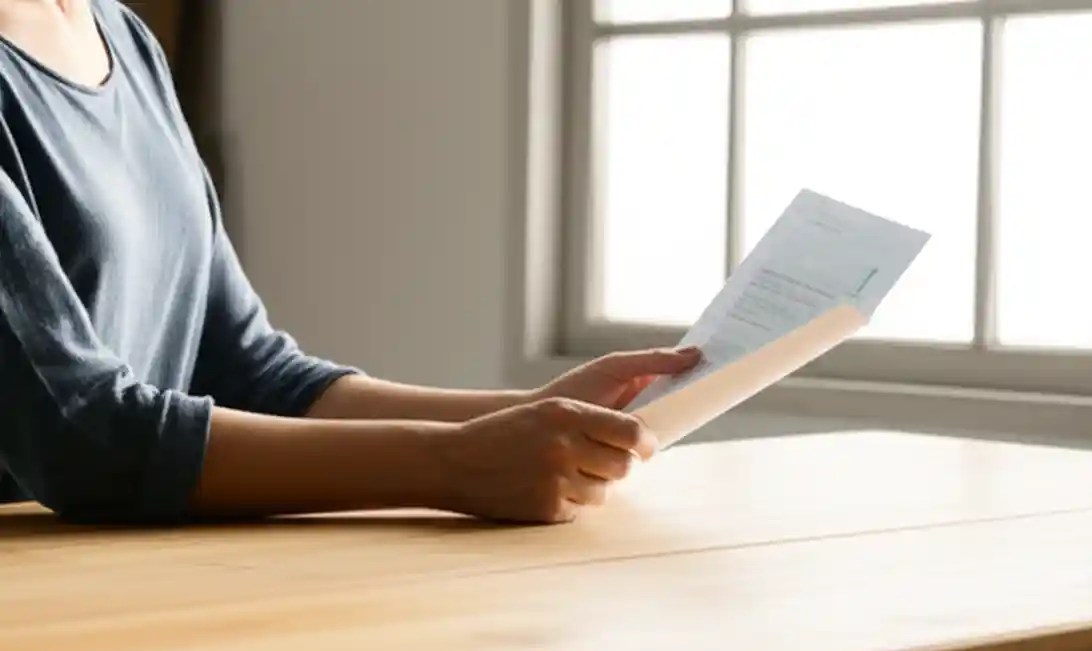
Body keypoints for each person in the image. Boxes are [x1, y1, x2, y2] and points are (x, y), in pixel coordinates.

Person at [0, 0, 700, 524]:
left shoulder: (121, 35)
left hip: (144, 592)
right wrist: (454, 464)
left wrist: (529, 414)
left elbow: (250, 372)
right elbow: (83, 432)